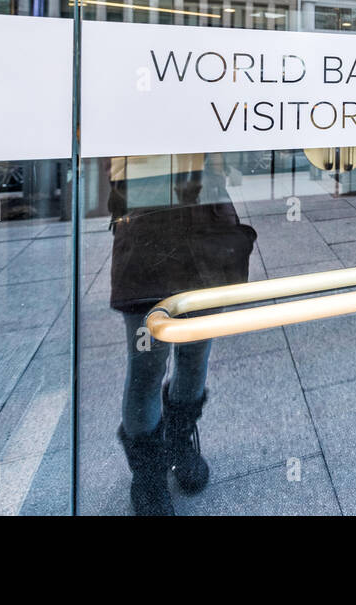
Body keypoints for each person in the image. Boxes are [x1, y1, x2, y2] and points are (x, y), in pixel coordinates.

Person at [108, 153, 255, 515]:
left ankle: (178, 441)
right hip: (148, 208)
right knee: (147, 363)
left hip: (206, 210)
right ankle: (147, 472)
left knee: (195, 351)